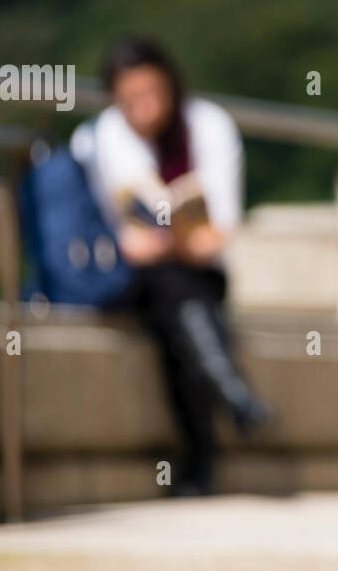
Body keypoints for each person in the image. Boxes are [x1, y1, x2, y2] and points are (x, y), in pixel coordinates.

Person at [80, 36, 273, 496]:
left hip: (190, 274)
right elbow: (131, 239)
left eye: (153, 95)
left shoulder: (209, 125)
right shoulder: (108, 134)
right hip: (136, 278)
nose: (144, 109)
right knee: (176, 292)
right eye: (131, 100)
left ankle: (202, 456)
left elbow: (215, 233)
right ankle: (230, 393)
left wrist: (170, 239)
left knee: (176, 297)